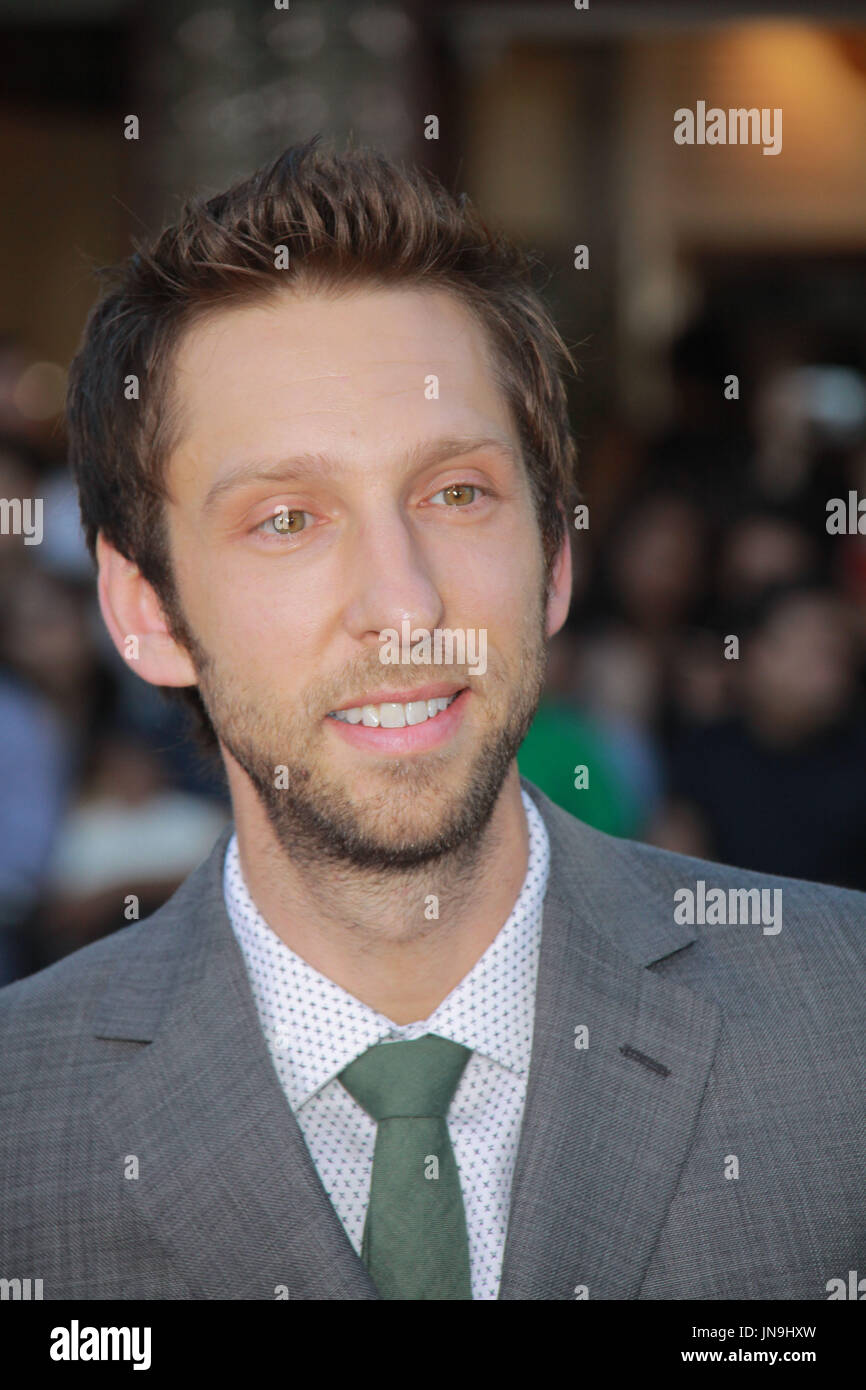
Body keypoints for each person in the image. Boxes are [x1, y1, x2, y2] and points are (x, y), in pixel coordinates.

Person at [1, 137, 864, 1302]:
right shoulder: (20, 1127)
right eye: (288, 519)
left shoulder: (841, 1025)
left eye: (455, 493)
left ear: (553, 559)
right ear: (144, 608)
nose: (404, 606)